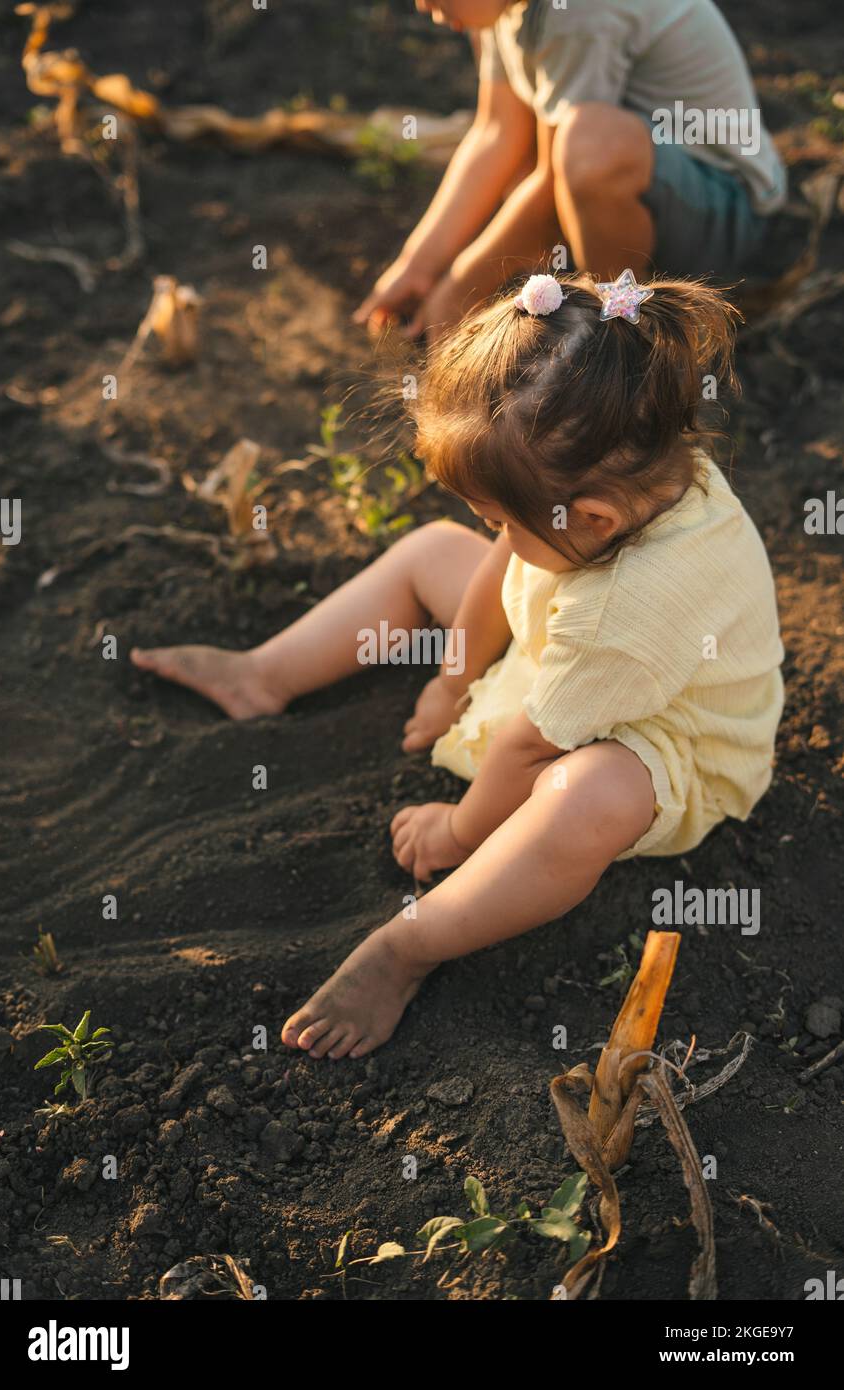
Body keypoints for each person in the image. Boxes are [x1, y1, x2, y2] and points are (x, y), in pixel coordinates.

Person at [131, 270, 785, 1060]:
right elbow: (510, 558)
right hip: (579, 656)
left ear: (593, 518)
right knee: (436, 553)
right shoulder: (634, 477)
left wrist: (459, 828)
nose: (494, 530)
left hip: (672, 743)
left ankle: (411, 945)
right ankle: (263, 673)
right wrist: (451, 680)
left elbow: (531, 747)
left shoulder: (627, 609)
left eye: (498, 516)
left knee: (585, 795)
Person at [355, 0, 786, 341]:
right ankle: (587, 297)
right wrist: (418, 265)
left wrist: (457, 297)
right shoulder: (505, 10)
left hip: (727, 210)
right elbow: (497, 132)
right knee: (546, 153)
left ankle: (620, 338)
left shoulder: (577, 12)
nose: (422, 5)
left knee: (589, 144)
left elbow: (550, 183)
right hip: (650, 194)